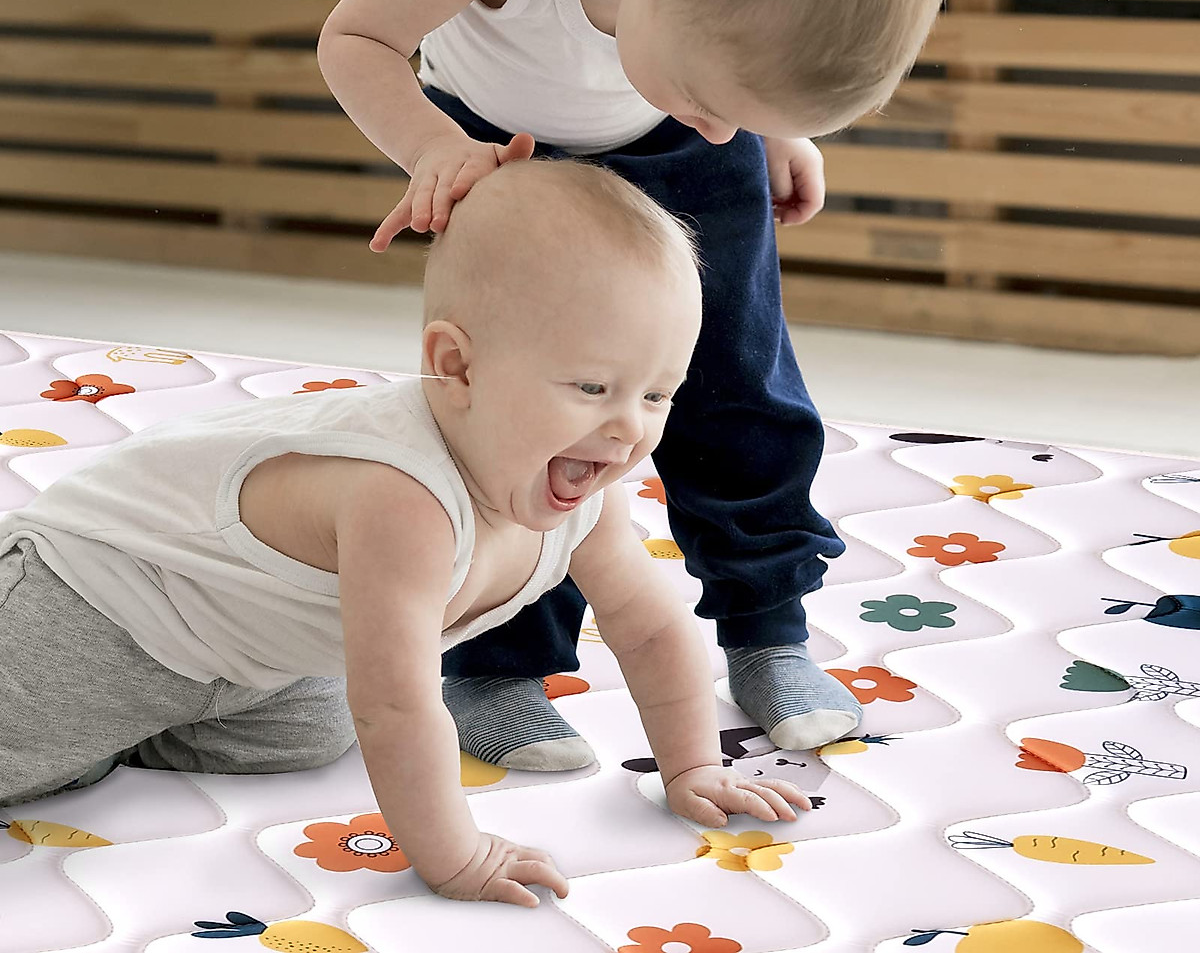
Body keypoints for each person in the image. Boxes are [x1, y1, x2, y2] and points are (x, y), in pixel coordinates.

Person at [317, 0, 968, 770]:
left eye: (747, 111)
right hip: (509, 148)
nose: (726, 131)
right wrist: (432, 148)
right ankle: (496, 663)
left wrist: (769, 123)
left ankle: (768, 628)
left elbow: (733, 68)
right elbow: (356, 38)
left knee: (740, 379)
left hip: (661, 122)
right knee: (526, 407)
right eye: (724, 102)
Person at [0, 159, 810, 907]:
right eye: (593, 387)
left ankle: (120, 733)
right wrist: (456, 856)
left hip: (250, 659)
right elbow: (397, 707)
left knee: (312, 737)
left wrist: (694, 767)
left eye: (658, 395)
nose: (628, 427)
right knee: (21, 761)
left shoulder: (584, 496)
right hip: (91, 607)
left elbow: (651, 628)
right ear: (456, 367)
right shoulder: (403, 497)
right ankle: (84, 720)